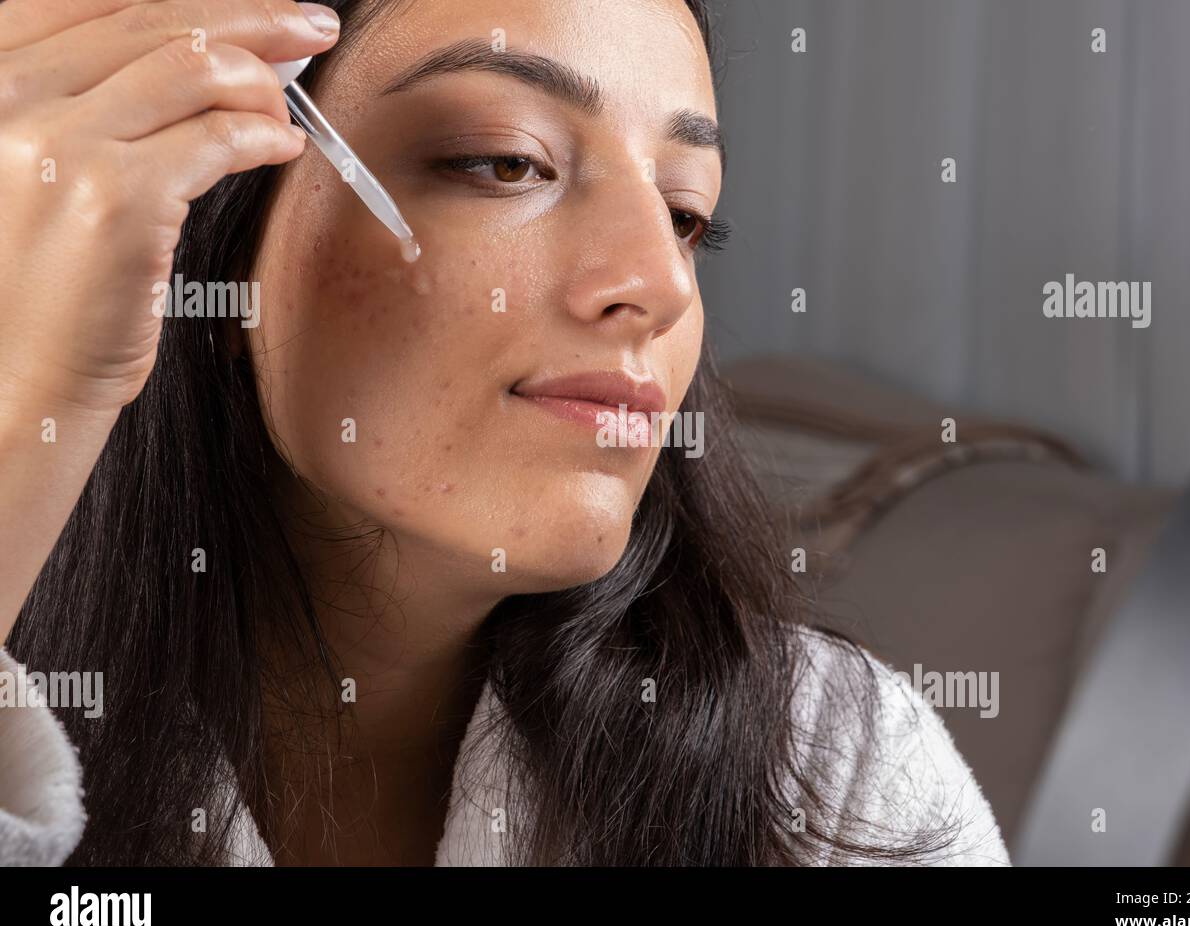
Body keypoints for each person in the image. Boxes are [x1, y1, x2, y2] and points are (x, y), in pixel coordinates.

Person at [0, 0, 1009, 867]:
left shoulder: (828, 775)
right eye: (504, 161)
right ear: (200, 244)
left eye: (686, 212)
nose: (657, 286)